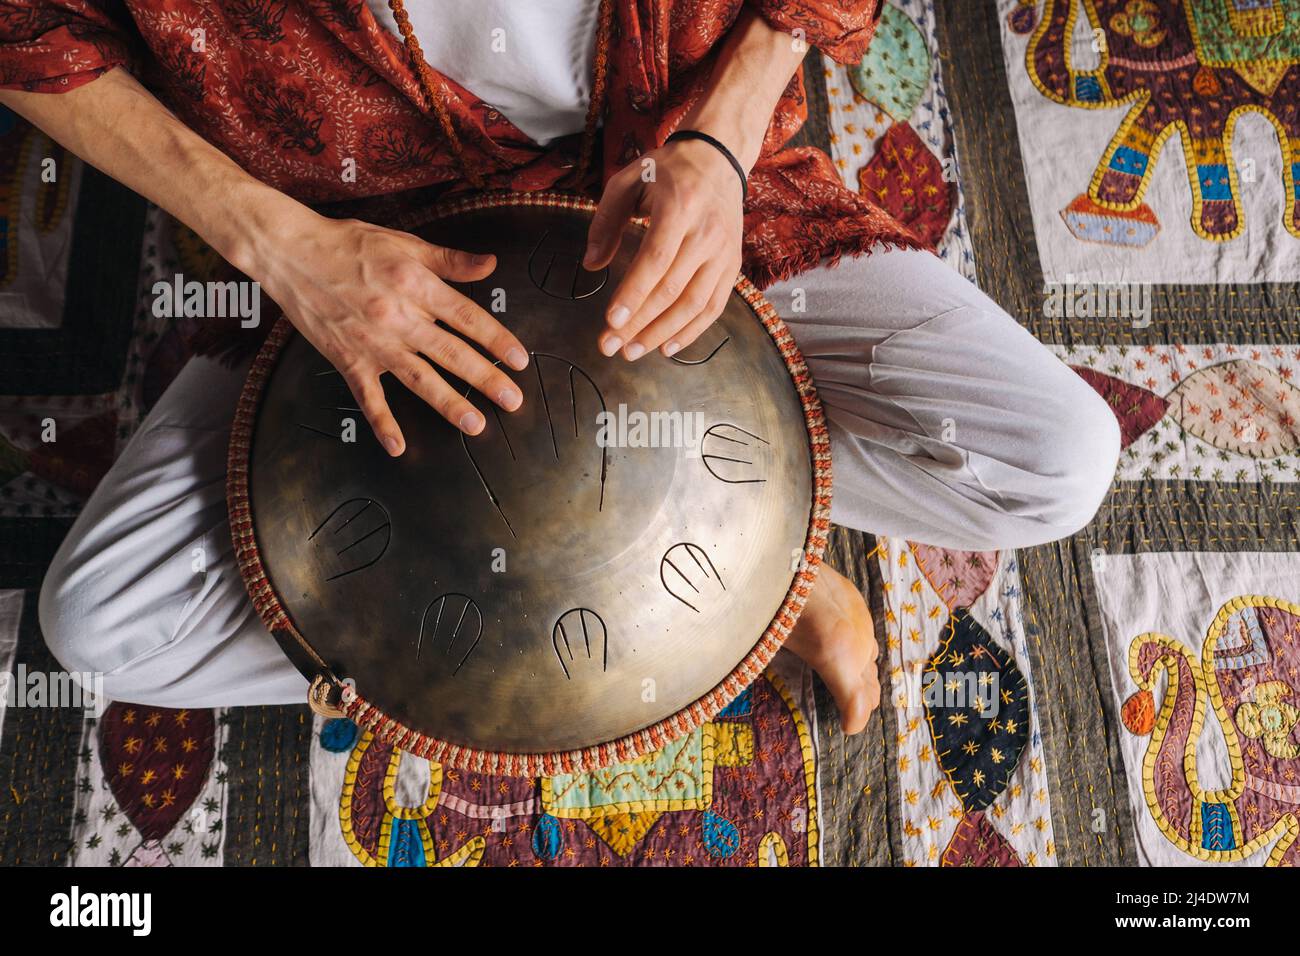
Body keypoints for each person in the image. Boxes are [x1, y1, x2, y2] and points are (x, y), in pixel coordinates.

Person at [0, 0, 1119, 736]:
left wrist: (724, 139)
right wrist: (282, 247)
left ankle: (761, 570)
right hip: (378, 237)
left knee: (1056, 461)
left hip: (674, 175)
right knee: (102, 622)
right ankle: (726, 590)